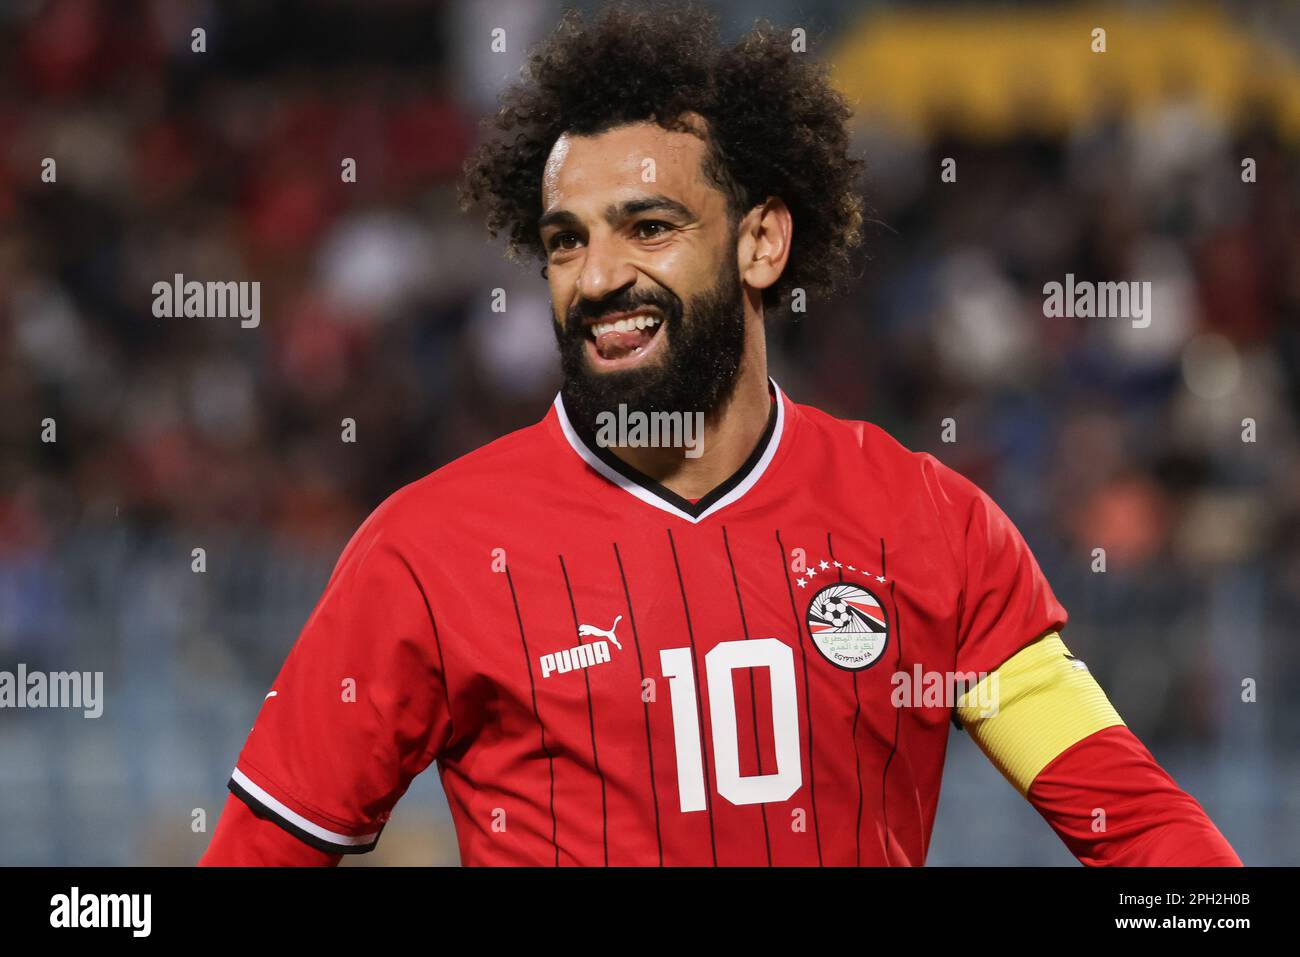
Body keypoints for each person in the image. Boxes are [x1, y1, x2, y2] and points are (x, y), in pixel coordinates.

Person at [200, 3, 1239, 866]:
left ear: (760, 241)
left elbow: (1139, 829)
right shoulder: (423, 553)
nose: (598, 277)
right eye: (566, 242)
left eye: (649, 227)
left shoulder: (930, 523)